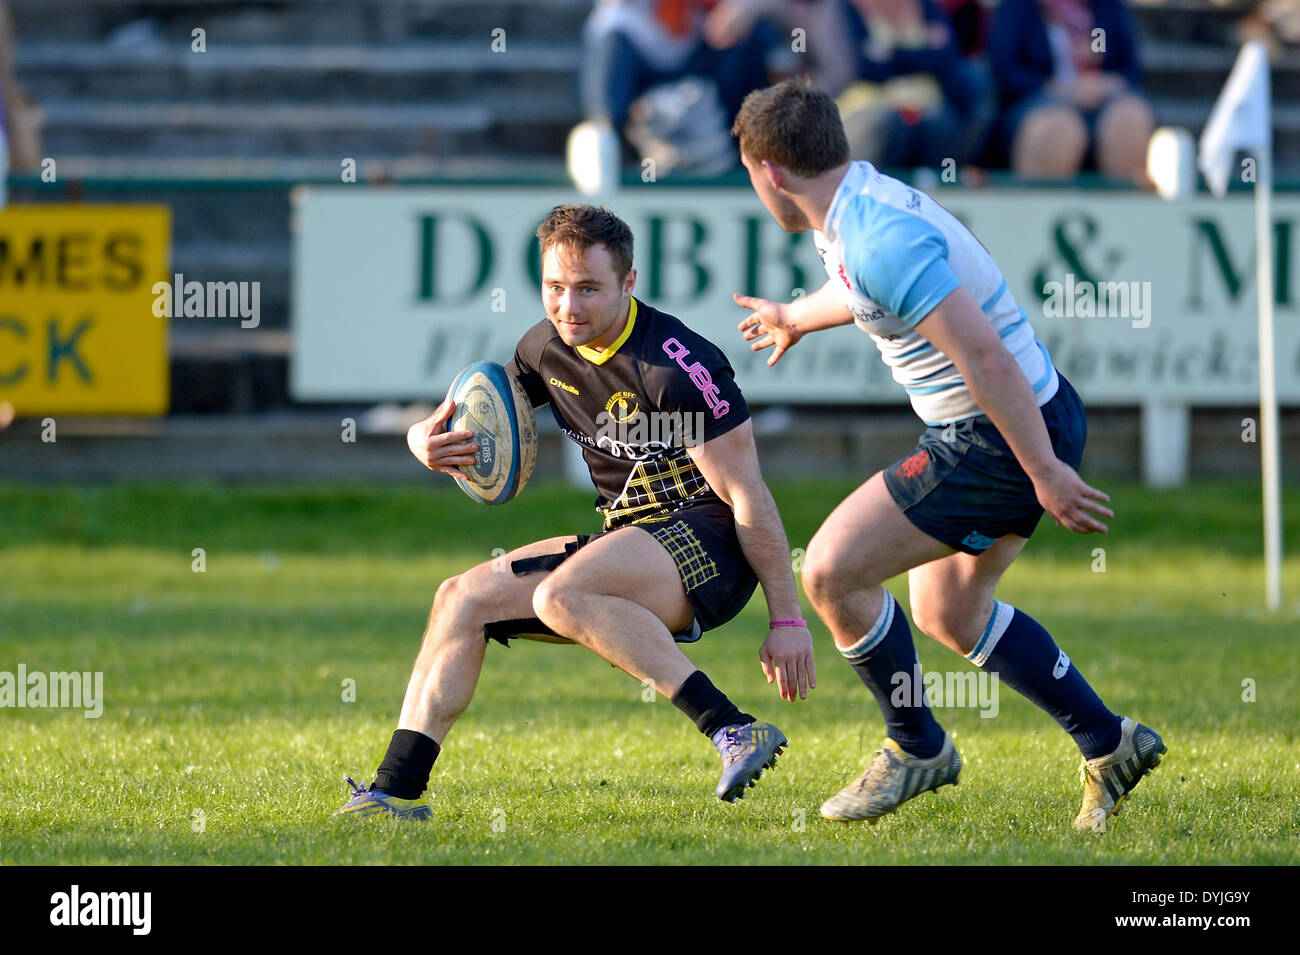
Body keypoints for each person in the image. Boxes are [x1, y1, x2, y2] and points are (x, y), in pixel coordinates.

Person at [729, 79, 1165, 832]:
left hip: (1000, 435)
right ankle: (1109, 740)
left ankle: (917, 745)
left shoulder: (874, 238)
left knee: (831, 569)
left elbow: (986, 360)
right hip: (1030, 415)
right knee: (947, 608)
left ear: (767, 171)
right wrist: (796, 317)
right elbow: (865, 292)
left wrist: (1044, 473)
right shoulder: (858, 204)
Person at [336, 204, 815, 819]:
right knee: (461, 598)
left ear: (628, 284)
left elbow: (749, 496)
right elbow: (476, 411)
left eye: (588, 288)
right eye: (555, 288)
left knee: (559, 595)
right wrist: (421, 441)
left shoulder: (675, 369)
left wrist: (787, 621)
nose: (568, 307)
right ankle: (394, 793)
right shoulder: (544, 348)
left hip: (709, 545)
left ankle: (731, 728)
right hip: (628, 539)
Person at [988, 0, 1154, 185]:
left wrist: (1105, 84)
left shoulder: (1109, 6)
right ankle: (1041, 208)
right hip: (1040, 99)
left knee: (1128, 119)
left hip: (1101, 96)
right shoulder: (1018, 6)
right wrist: (1060, 89)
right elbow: (1006, 71)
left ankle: (1124, 205)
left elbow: (1131, 69)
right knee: (1057, 128)